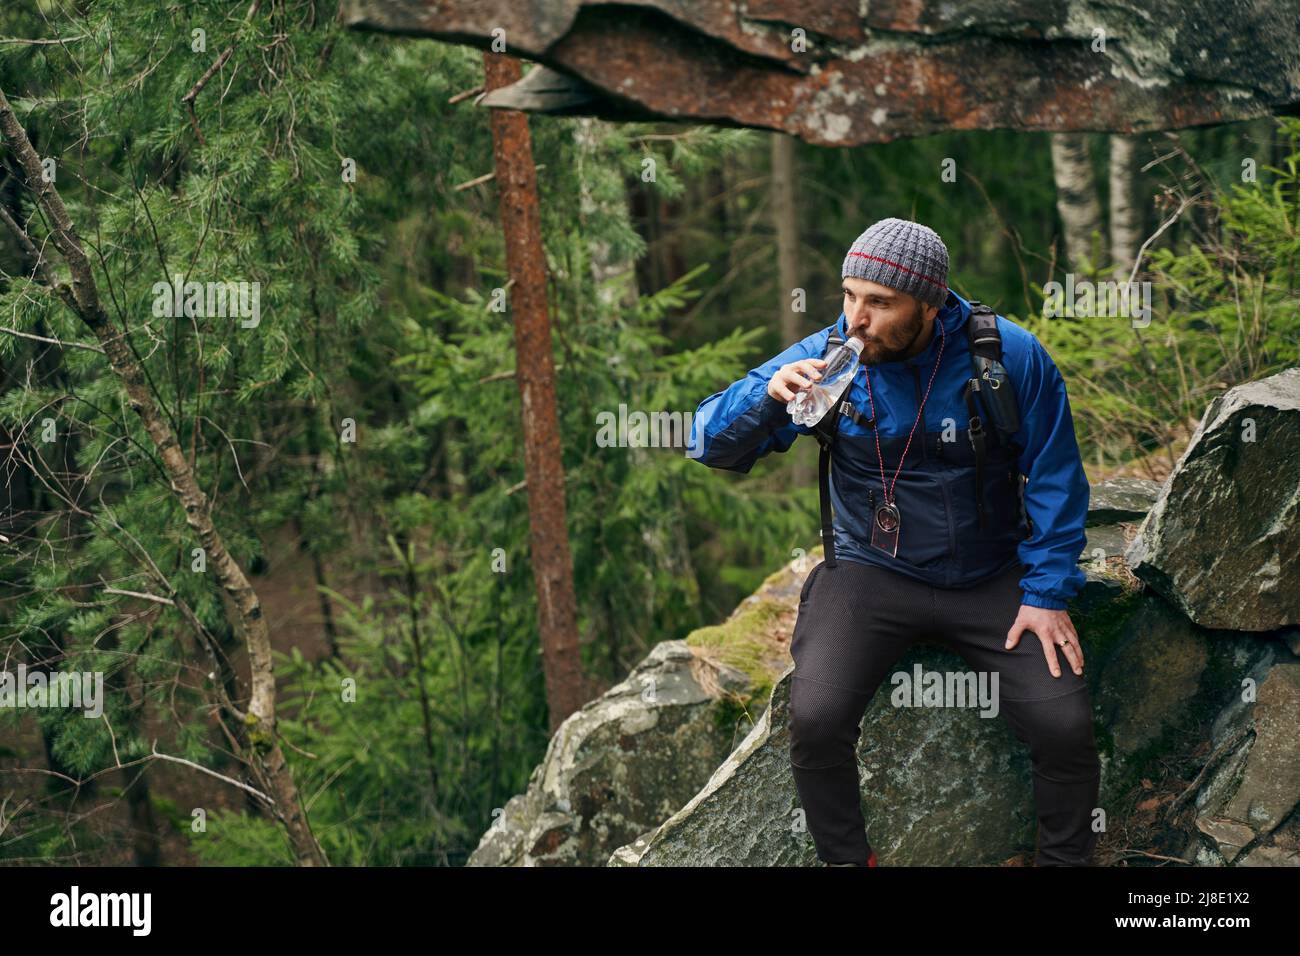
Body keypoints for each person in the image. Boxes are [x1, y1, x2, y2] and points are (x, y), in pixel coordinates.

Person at [687, 217, 1100, 867]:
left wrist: (1047, 592)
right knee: (816, 718)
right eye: (849, 296)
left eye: (880, 303)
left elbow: (1056, 475)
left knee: (1065, 724)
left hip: (991, 574)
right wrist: (767, 396)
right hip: (871, 571)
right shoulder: (829, 359)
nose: (857, 317)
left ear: (931, 306)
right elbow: (708, 441)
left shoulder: (1006, 355)